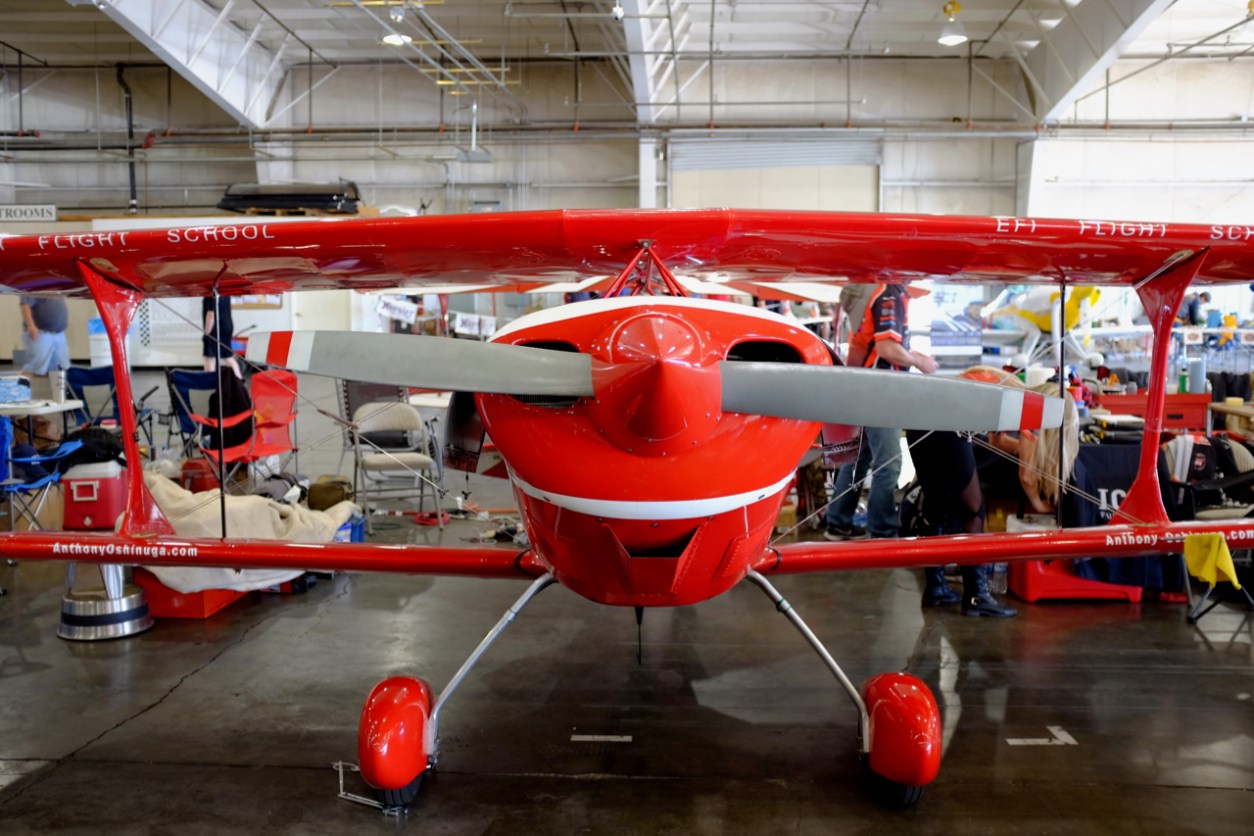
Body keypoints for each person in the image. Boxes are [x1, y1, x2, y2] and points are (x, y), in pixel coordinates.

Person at [910, 371, 1079, 617]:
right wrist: (1039, 505)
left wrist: (1028, 451)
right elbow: (1027, 476)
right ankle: (977, 595)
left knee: (936, 506)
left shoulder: (1018, 392)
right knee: (973, 511)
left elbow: (996, 442)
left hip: (918, 419)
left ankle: (936, 588)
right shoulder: (1031, 409)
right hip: (946, 425)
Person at [825, 284, 937, 540]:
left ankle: (838, 523)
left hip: (863, 385)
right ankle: (883, 530)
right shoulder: (891, 294)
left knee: (858, 458)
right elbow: (886, 349)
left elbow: (872, 345)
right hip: (882, 389)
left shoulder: (871, 290)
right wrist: (921, 361)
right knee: (888, 462)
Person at [18, 296, 69, 381]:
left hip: (58, 333)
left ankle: (58, 393)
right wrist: (31, 326)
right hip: (40, 333)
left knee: (59, 366)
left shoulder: (54, 287)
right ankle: (21, 390)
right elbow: (25, 305)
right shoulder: (34, 285)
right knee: (34, 366)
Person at [202, 296, 241, 378]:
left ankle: (210, 385)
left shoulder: (211, 293)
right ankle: (239, 383)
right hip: (226, 325)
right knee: (228, 356)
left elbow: (211, 314)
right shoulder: (225, 291)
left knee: (209, 357)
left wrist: (206, 333)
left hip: (215, 328)